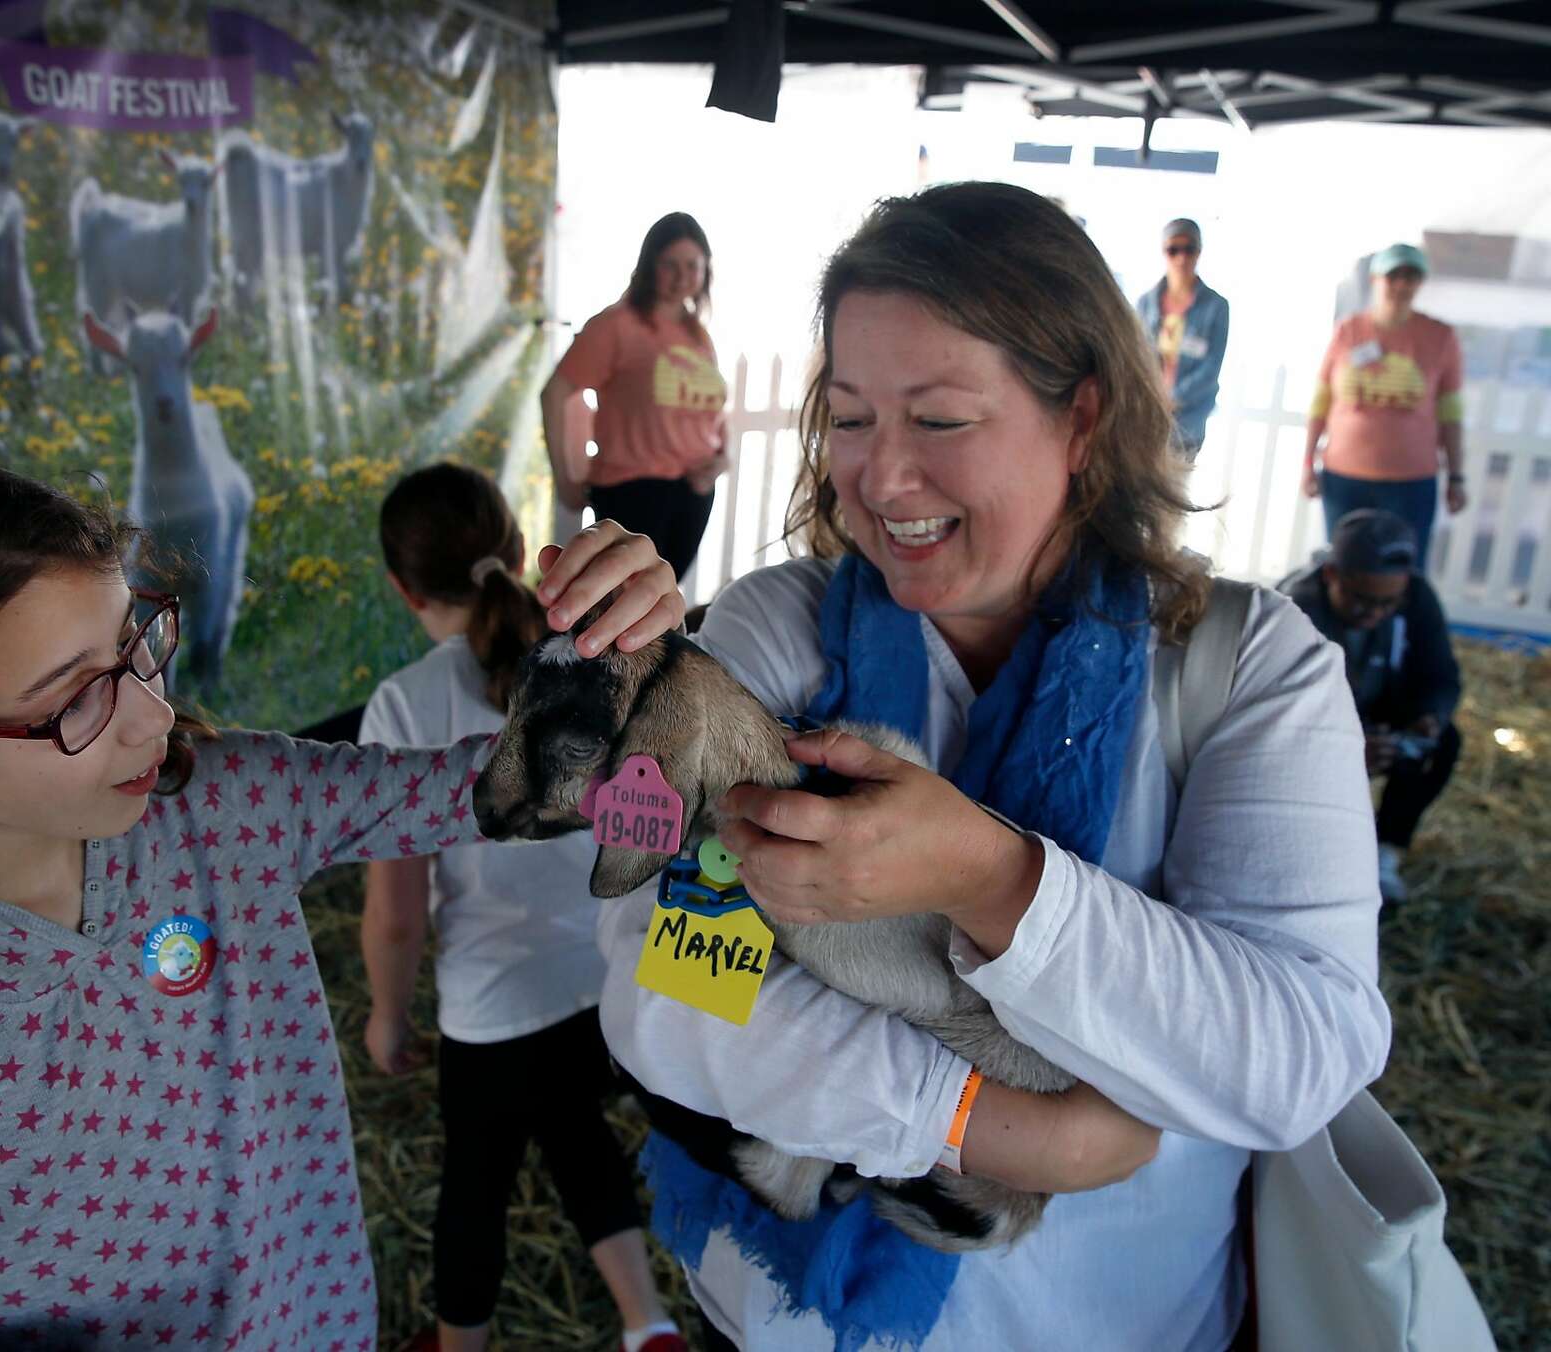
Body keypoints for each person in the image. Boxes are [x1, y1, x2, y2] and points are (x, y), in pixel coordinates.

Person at [595, 183, 1391, 1351]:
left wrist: (994, 880)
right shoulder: (768, 637)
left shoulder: (1246, 667)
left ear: (1083, 421)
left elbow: (1299, 1055)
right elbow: (657, 980)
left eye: (942, 419)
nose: (881, 475)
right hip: (773, 1319)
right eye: (853, 417)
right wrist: (989, 1124)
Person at [0, 444, 684, 1349]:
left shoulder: (220, 804)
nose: (154, 714)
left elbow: (509, 784)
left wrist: (635, 656)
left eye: (132, 643)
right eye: (74, 701)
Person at [359, 463, 688, 1352]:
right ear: (516, 548)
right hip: (607, 984)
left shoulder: (401, 704)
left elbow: (395, 911)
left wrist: (387, 1016)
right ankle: (648, 1320)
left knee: (474, 1185)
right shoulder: (591, 655)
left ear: (400, 586)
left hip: (492, 1009)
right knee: (577, 1132)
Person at [1281, 509, 1462, 903]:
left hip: (1378, 709)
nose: (1374, 613)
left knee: (1444, 742)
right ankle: (1317, 854)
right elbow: (1287, 714)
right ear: (1331, 575)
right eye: (1361, 598)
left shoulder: (1416, 596)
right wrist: (1346, 745)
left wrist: (1429, 717)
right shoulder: (1296, 609)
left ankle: (1385, 848)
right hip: (1309, 728)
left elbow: (1442, 674)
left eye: (1388, 603)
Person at [542, 212, 731, 582]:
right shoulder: (616, 325)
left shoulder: (698, 335)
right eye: (670, 265)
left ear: (706, 269)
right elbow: (554, 393)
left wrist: (722, 459)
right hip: (632, 492)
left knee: (663, 603)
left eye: (692, 266)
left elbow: (713, 414)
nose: (682, 277)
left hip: (693, 492)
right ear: (649, 265)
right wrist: (564, 477)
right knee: (627, 611)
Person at [1302, 243, 1467, 573]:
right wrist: (1308, 461)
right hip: (1345, 475)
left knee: (1404, 570)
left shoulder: (1440, 337)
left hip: (1411, 479)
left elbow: (1451, 415)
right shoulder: (1349, 331)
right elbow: (1322, 401)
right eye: (1394, 276)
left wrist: (1456, 476)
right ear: (1377, 279)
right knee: (1342, 566)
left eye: (1411, 276)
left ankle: (1397, 626)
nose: (1402, 285)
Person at [1134, 217, 1229, 461]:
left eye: (1189, 249)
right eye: (1173, 249)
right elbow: (1134, 357)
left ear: (1199, 252)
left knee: (1173, 491)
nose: (1181, 258)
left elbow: (1210, 369)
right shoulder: (1145, 303)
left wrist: (1172, 398)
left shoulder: (1216, 306)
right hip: (1144, 417)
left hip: (1188, 422)